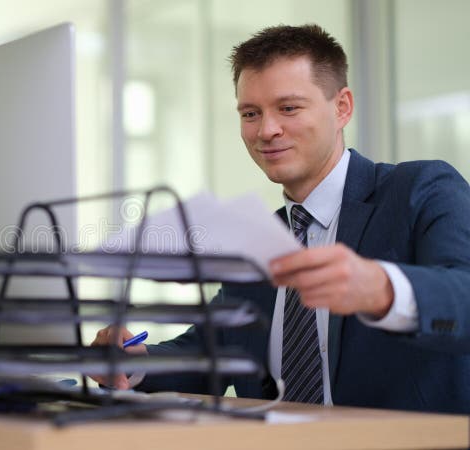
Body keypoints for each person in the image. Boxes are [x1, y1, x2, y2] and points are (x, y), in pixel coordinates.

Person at [91, 24, 470, 414]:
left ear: (341, 107)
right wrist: (131, 363)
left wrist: (382, 289)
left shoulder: (420, 190)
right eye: (250, 113)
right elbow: (209, 350)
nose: (267, 130)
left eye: (288, 108)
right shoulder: (261, 236)